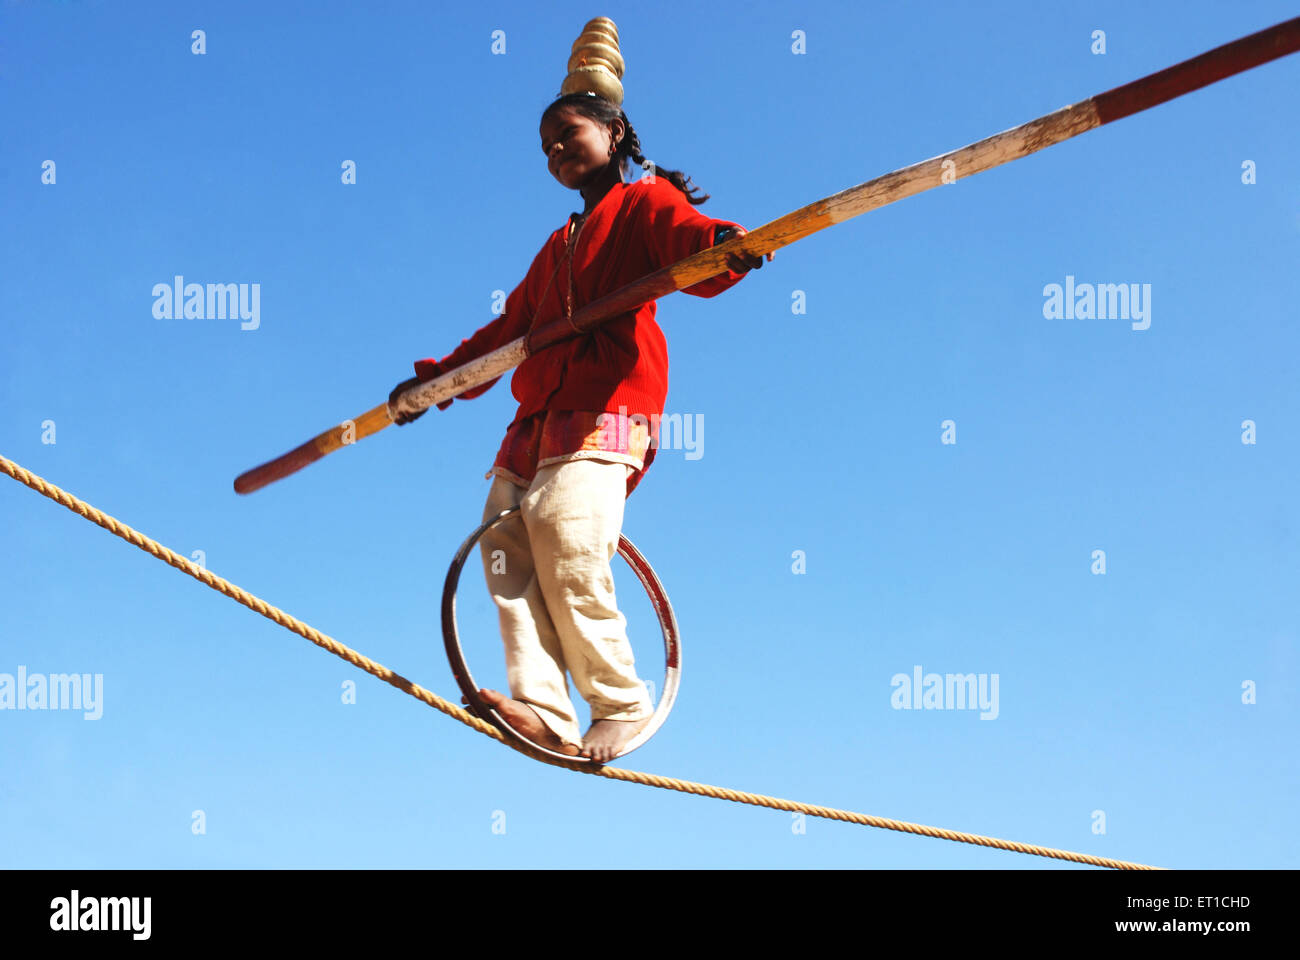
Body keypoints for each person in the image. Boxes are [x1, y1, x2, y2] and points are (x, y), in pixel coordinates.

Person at [389, 19, 773, 762]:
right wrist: (437, 382)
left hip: (607, 412)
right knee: (505, 553)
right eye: (546, 146)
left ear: (614, 131)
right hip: (532, 426)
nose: (558, 151)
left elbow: (690, 242)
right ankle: (543, 709)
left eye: (569, 133)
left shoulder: (644, 204)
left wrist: (723, 249)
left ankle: (619, 700)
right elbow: (505, 335)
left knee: (565, 536)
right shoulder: (555, 249)